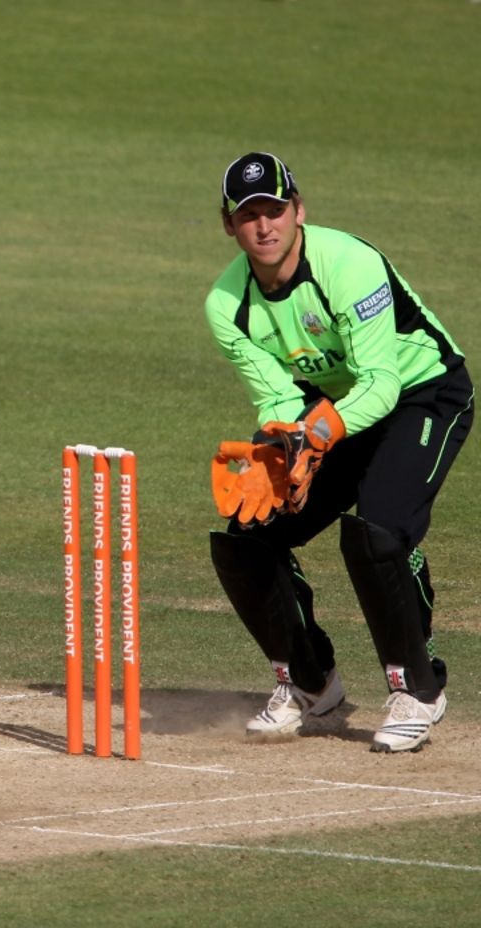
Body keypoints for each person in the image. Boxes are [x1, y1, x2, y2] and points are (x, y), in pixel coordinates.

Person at [206, 152, 473, 753]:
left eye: (275, 210)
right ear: (229, 225)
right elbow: (278, 395)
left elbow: (380, 380)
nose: (264, 226)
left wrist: (318, 437)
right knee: (247, 535)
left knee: (377, 531)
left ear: (299, 210)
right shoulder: (227, 305)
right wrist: (287, 450)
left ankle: (417, 690)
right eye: (248, 215)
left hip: (423, 395)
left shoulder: (349, 263)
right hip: (335, 417)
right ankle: (311, 684)